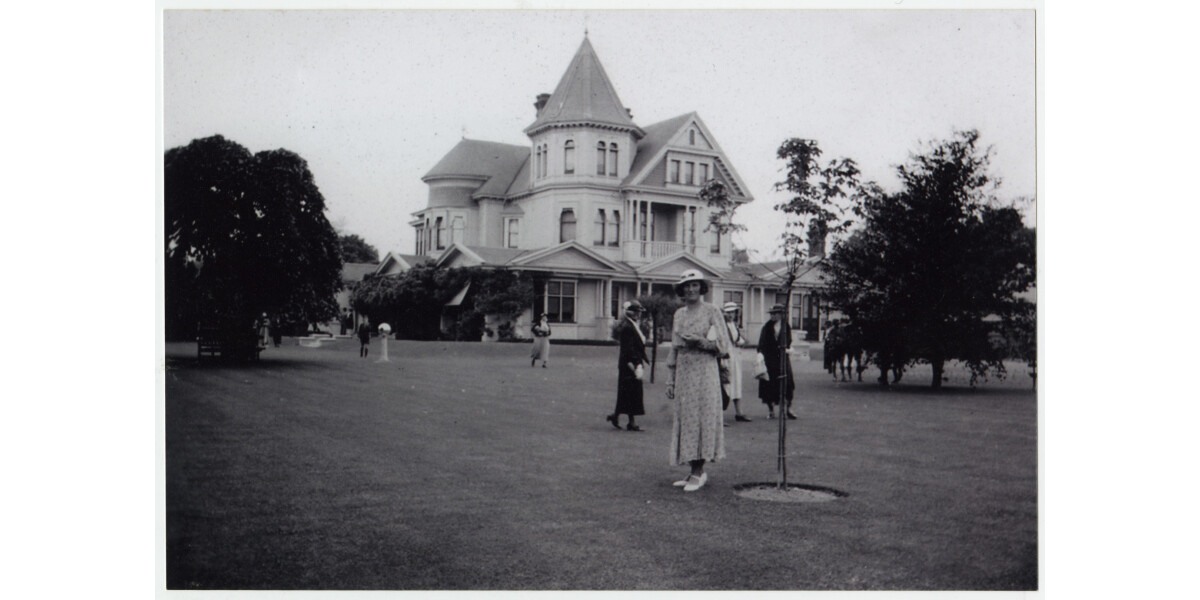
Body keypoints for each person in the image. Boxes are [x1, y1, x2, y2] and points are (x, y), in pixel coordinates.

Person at [666, 269, 730, 492]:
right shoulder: (679, 314)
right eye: (686, 286)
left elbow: (723, 346)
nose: (691, 289)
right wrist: (670, 379)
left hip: (704, 371)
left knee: (701, 418)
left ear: (701, 288)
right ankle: (693, 469)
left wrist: (700, 342)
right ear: (681, 290)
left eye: (694, 285)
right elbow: (674, 347)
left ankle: (698, 471)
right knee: (687, 418)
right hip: (684, 371)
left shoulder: (712, 311)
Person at [607, 300, 650, 432]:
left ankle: (618, 417)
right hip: (629, 364)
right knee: (630, 392)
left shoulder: (633, 326)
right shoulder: (628, 327)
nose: (639, 314)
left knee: (629, 393)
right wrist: (635, 365)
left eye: (639, 312)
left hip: (632, 362)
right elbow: (628, 349)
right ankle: (628, 421)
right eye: (637, 312)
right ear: (631, 313)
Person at [757, 304, 797, 420]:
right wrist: (760, 353)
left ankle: (788, 408)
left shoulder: (786, 327)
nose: (772, 316)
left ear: (781, 315)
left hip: (783, 359)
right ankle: (771, 410)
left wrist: (788, 349)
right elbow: (762, 343)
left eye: (775, 313)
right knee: (769, 385)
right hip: (770, 359)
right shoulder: (767, 327)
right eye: (771, 314)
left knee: (787, 383)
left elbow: (789, 341)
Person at [721, 302, 752, 423]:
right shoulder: (720, 326)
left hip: (735, 358)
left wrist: (742, 341)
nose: (730, 315)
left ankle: (739, 413)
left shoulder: (734, 325)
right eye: (728, 312)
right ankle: (719, 417)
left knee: (736, 384)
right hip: (725, 358)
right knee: (724, 386)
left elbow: (738, 340)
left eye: (732, 312)